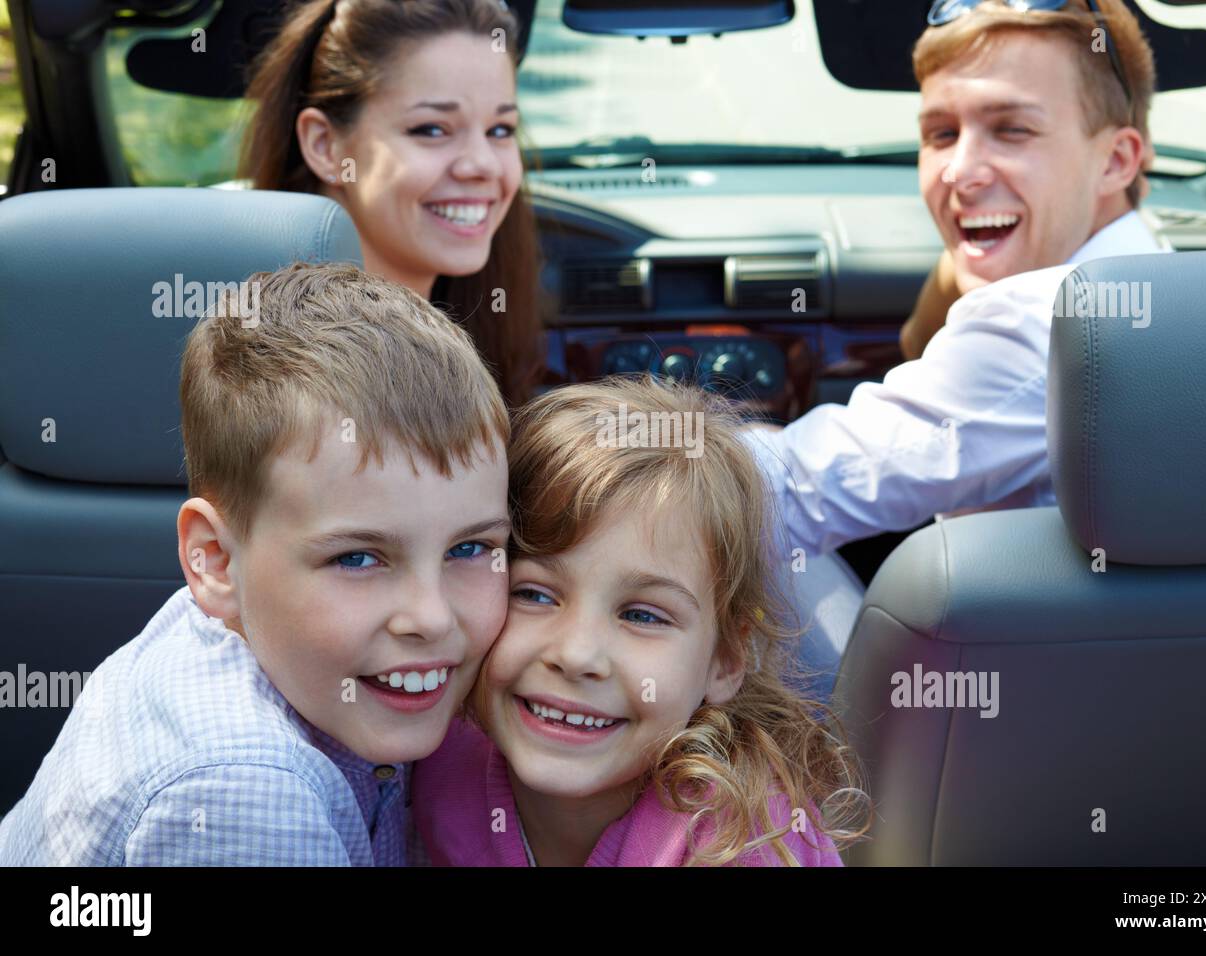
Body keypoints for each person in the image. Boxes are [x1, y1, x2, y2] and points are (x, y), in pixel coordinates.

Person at [0, 263, 512, 865]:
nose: (430, 616)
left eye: (469, 549)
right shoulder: (246, 797)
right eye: (358, 558)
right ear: (214, 560)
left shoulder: (262, 642)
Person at [744, 0, 1165, 557]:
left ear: (1116, 161)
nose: (959, 173)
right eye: (941, 134)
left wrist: (643, 437)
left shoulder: (1043, 322)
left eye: (1012, 130)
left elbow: (783, 498)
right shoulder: (1161, 279)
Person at [411, 376, 869, 865]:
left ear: (725, 661)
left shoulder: (744, 847)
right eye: (535, 595)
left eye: (641, 615)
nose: (576, 655)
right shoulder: (429, 757)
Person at [239, 0, 542, 405]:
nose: (483, 164)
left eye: (501, 129)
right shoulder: (288, 384)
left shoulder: (476, 332)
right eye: (432, 129)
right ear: (325, 145)